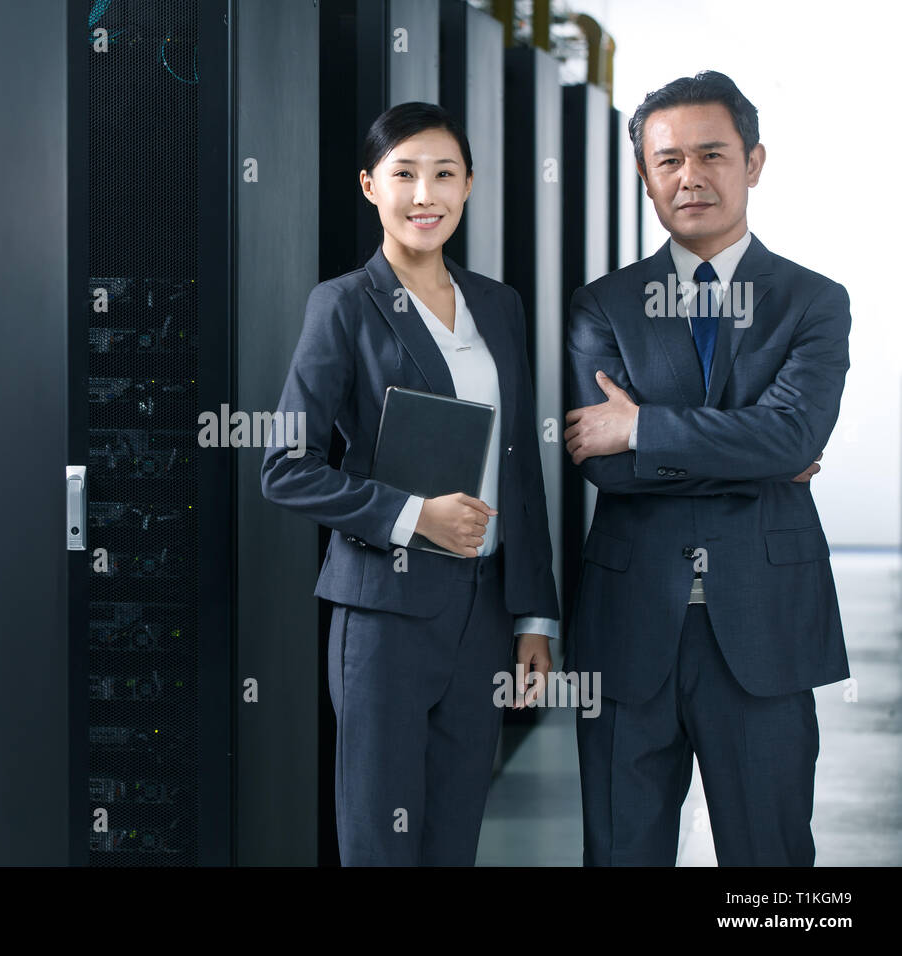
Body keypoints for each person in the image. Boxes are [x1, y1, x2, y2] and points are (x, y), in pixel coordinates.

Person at [261, 102, 560, 866]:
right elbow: (286, 468)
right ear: (370, 187)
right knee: (380, 839)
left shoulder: (499, 305)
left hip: (486, 610)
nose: (425, 194)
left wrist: (535, 613)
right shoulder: (342, 307)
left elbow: (520, 465)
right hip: (385, 613)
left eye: (445, 174)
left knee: (454, 834)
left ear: (469, 186)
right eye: (404, 174)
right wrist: (412, 515)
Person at [563, 70, 849, 866]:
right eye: (668, 161)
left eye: (712, 154)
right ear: (647, 176)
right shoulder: (601, 306)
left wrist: (644, 426)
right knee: (621, 854)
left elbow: (792, 438)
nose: (690, 177)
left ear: (753, 162)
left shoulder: (814, 302)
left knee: (772, 868)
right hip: (629, 630)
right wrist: (756, 448)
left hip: (765, 625)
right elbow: (604, 465)